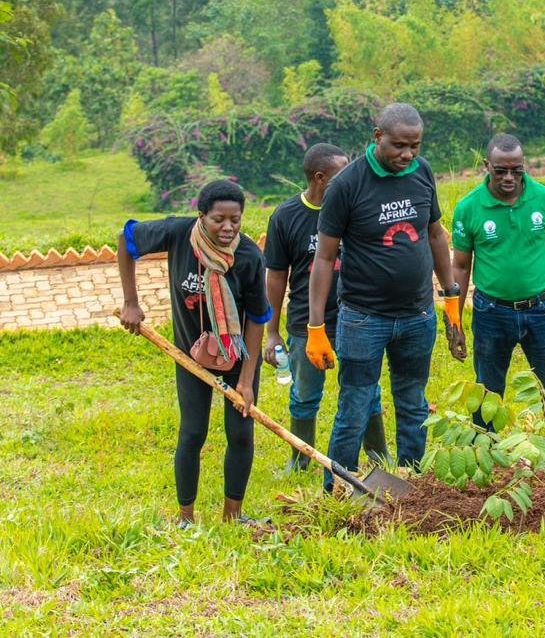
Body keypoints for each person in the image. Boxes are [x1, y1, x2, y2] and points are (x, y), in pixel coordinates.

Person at [306, 103, 460, 491]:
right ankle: (339, 488)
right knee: (354, 408)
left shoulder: (422, 173)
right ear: (377, 137)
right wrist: (315, 327)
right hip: (363, 318)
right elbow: (324, 258)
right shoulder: (347, 185)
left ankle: (412, 485)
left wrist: (451, 298)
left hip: (417, 316)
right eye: (398, 146)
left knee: (413, 403)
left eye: (415, 146)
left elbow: (436, 234)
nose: (407, 155)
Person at [117, 180, 272, 527]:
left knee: (241, 433)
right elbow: (125, 241)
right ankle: (185, 517)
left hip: (238, 355)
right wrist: (131, 302)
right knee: (192, 432)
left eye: (235, 219)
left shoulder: (247, 256)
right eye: (219, 219)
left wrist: (246, 382)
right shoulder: (177, 233)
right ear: (201, 216)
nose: (228, 227)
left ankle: (233, 515)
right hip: (191, 356)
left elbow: (258, 319)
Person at [449, 133, 545, 435]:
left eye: (517, 169)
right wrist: (455, 321)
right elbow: (460, 266)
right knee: (488, 388)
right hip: (491, 312)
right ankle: (485, 450)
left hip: (542, 308)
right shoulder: (469, 208)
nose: (509, 177)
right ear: (487, 166)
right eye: (500, 170)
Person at [263, 143, 388, 473]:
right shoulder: (286, 217)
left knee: (367, 391)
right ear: (319, 178)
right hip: (307, 324)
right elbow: (276, 277)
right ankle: (301, 461)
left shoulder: (357, 208)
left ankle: (379, 456)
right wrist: (272, 331)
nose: (349, 180)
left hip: (357, 319)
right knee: (304, 395)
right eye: (339, 175)